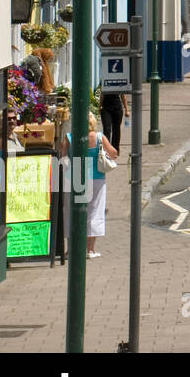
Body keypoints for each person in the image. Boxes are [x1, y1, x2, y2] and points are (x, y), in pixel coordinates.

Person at [64, 112, 117, 259]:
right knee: (94, 212)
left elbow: (62, 158)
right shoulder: (99, 137)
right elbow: (113, 153)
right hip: (96, 179)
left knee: (71, 213)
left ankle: (70, 250)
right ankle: (90, 250)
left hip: (74, 178)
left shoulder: (69, 138)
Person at [99, 87, 129, 154]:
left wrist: (127, 109)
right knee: (107, 129)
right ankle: (106, 150)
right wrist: (99, 106)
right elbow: (102, 94)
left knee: (116, 130)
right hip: (106, 109)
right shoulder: (105, 80)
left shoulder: (117, 82)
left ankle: (115, 150)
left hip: (117, 108)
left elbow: (123, 96)